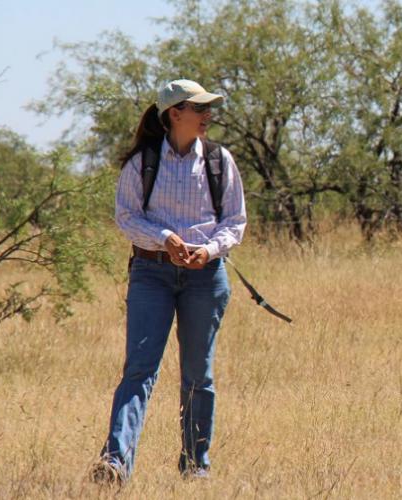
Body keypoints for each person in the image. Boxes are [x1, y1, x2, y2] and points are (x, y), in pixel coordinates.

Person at [92, 79, 246, 484]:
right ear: (175, 114)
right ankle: (115, 464)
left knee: (199, 375)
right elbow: (126, 217)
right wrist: (165, 239)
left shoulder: (219, 160)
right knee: (139, 370)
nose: (208, 115)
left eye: (208, 108)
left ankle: (196, 467)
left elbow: (235, 221)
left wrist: (208, 251)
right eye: (200, 108)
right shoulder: (142, 162)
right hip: (150, 275)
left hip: (206, 277)